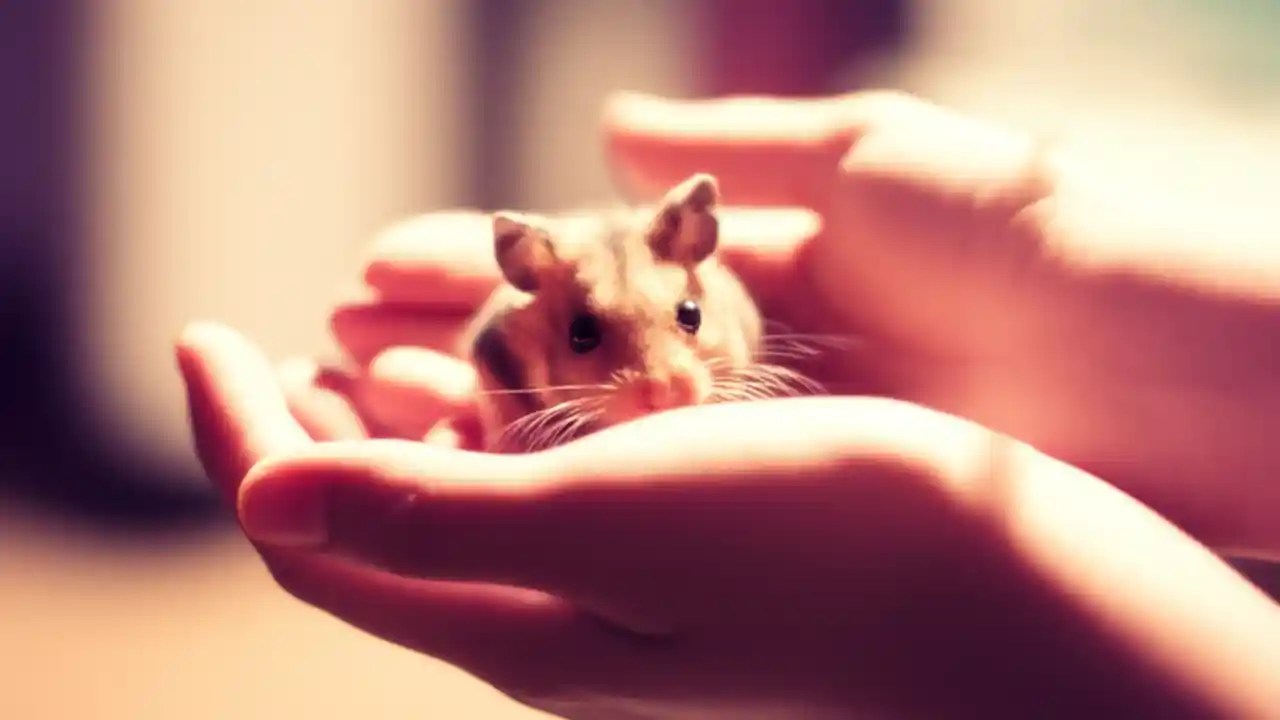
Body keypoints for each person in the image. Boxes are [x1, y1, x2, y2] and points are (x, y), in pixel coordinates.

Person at [175, 91, 1280, 718]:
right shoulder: (506, 335)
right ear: (533, 288)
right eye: (592, 336)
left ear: (695, 257)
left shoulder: (730, 309)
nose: (657, 375)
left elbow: (708, 350)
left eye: (681, 326)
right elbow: (494, 365)